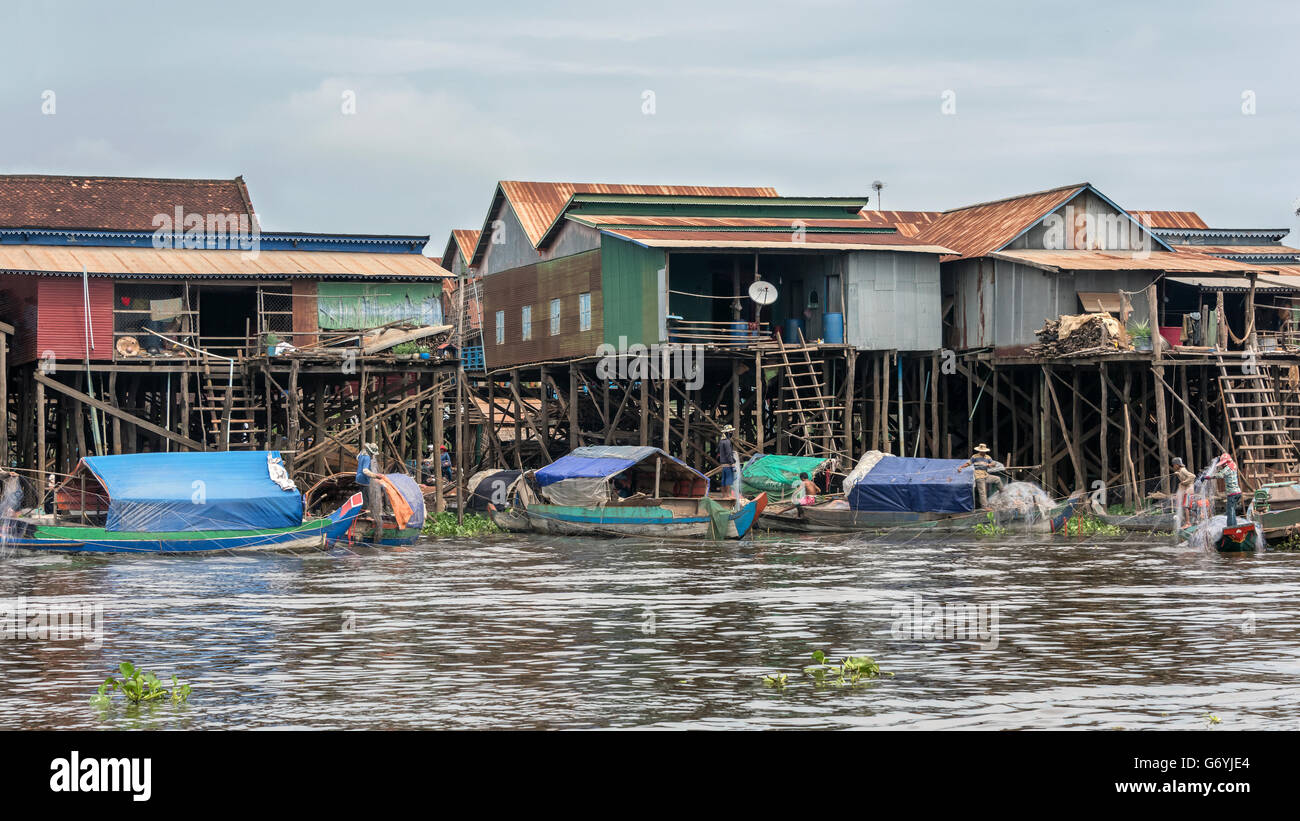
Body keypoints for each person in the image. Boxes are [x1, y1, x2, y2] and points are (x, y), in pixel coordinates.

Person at [957, 443, 1002, 509]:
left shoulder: (988, 457)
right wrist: (961, 467)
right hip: (978, 476)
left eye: (984, 451)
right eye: (982, 451)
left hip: (986, 475)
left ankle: (1002, 491)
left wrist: (990, 465)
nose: (983, 452)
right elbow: (968, 463)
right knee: (982, 492)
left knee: (997, 479)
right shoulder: (975, 457)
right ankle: (985, 506)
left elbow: (993, 463)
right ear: (979, 451)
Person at [356, 442, 385, 542]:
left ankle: (361, 514)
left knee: (362, 498)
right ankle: (363, 515)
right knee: (366, 500)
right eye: (373, 453)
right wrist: (376, 476)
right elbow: (365, 471)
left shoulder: (361, 454)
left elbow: (357, 457)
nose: (373, 455)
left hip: (358, 479)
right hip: (364, 480)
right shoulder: (367, 457)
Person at [1214, 453, 1242, 527]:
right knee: (1232, 510)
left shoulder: (1228, 468)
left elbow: (1219, 475)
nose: (1222, 465)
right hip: (1238, 492)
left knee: (1230, 511)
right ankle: (1234, 525)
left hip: (1232, 494)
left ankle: (1231, 527)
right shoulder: (1233, 465)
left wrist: (1208, 477)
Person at [1171, 457, 1198, 523]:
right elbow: (1183, 475)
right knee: (1188, 507)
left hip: (1189, 490)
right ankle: (1196, 520)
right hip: (1187, 490)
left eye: (1174, 465)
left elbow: (1193, 476)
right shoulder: (1181, 471)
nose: (1173, 467)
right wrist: (1178, 473)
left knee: (1186, 507)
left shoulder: (1183, 470)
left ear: (1177, 465)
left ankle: (1188, 523)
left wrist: (1184, 482)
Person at [716, 425, 737, 499]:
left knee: (723, 480)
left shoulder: (721, 441)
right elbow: (728, 454)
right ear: (728, 433)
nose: (732, 433)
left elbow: (718, 451)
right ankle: (727, 495)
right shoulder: (727, 442)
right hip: (728, 464)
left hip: (723, 464)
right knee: (728, 479)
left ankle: (723, 495)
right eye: (731, 432)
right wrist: (732, 463)